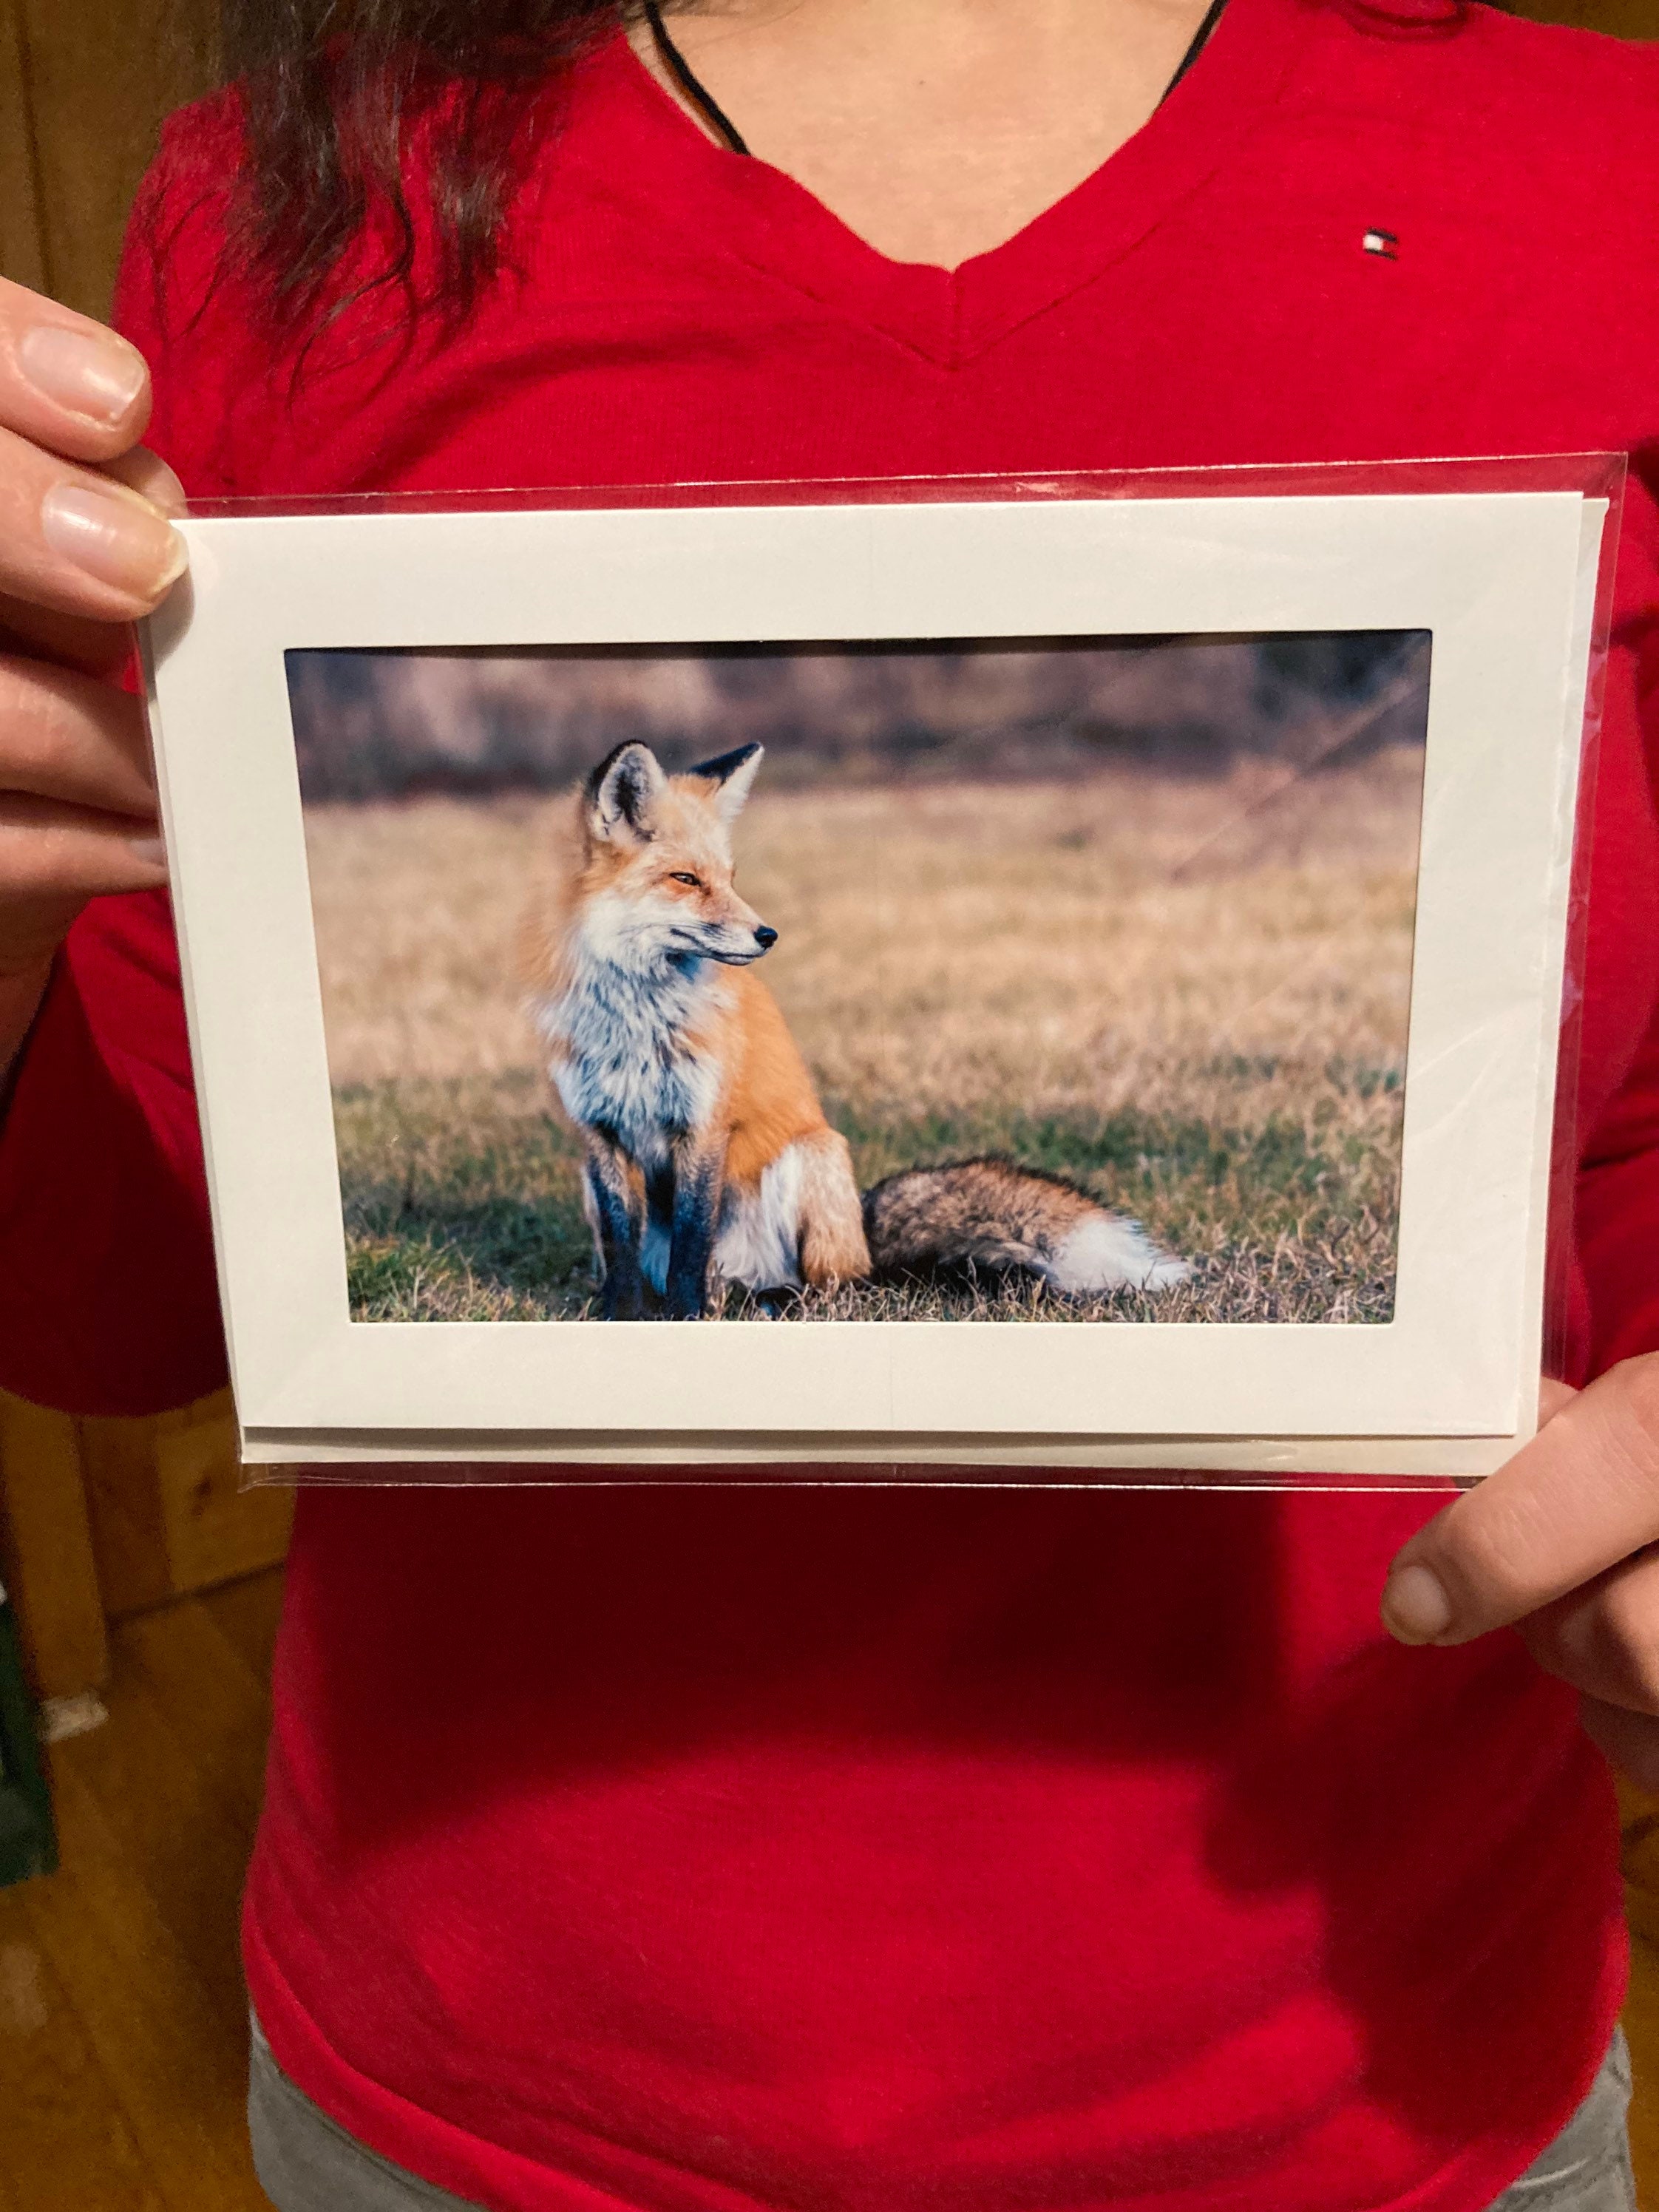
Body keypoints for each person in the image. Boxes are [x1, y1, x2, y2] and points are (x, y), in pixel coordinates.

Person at [1, 0, 1658, 2205]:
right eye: (692, 877)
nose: (738, 913)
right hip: (499, 2093)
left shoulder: (1598, 166)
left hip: (1386, 2060)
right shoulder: (281, 205)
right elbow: (120, 1311)